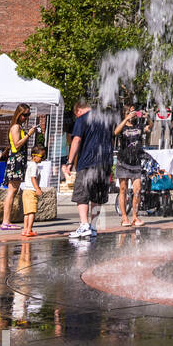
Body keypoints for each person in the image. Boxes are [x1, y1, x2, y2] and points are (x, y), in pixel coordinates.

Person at [65, 97, 115, 240]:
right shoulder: (105, 120)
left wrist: (69, 162)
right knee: (97, 196)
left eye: (76, 114)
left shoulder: (82, 119)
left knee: (83, 195)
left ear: (78, 110)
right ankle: (93, 226)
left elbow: (77, 140)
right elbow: (111, 140)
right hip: (105, 164)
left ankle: (84, 225)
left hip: (88, 162)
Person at [1, 104, 39, 231]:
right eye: (24, 115)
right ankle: (6, 221)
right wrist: (29, 134)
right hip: (16, 160)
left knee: (13, 191)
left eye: (28, 115)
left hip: (18, 160)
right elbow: (17, 145)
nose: (26, 117)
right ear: (18, 114)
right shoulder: (16, 127)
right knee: (11, 192)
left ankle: (7, 221)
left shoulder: (18, 126)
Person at [114, 106, 152, 228]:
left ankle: (135, 217)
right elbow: (115, 132)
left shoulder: (139, 127)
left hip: (135, 163)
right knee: (123, 189)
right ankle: (124, 217)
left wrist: (149, 118)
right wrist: (126, 119)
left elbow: (149, 128)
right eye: (130, 112)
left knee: (137, 190)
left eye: (134, 112)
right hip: (123, 162)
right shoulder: (122, 125)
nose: (133, 114)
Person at [20, 147, 45, 239]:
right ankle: (29, 230)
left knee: (26, 212)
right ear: (34, 156)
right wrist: (37, 188)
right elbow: (33, 178)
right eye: (41, 156)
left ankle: (25, 230)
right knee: (32, 212)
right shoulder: (34, 165)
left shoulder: (29, 164)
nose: (42, 158)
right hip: (31, 191)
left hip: (26, 190)